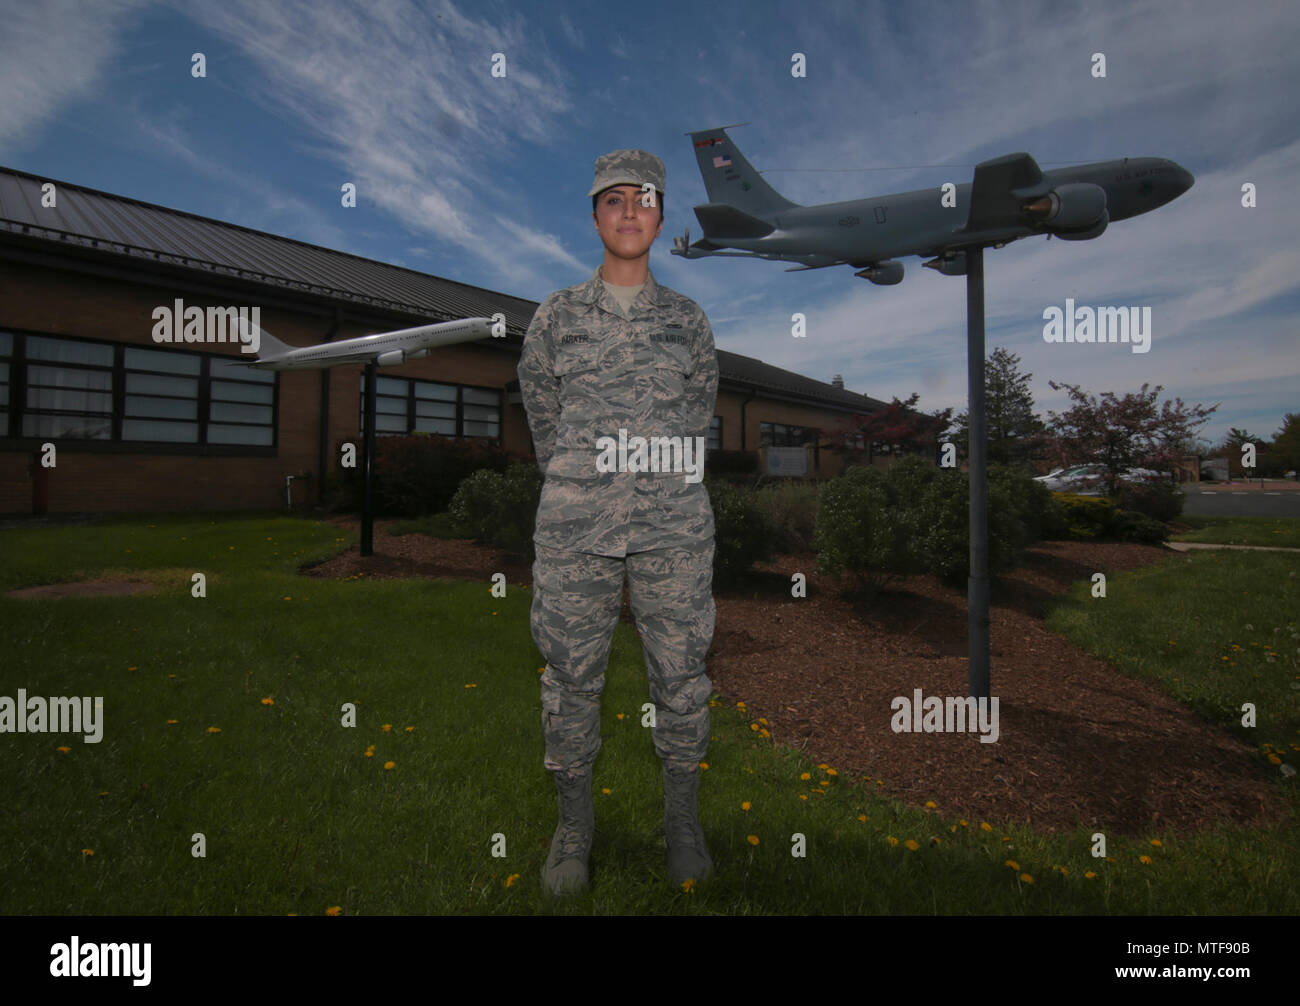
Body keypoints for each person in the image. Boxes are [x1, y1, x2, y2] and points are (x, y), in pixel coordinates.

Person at [517, 149, 719, 894]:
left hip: (674, 531)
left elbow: (698, 422)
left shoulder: (688, 323)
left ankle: (683, 824)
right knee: (571, 681)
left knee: (682, 680)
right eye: (613, 200)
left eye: (644, 199)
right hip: (576, 531)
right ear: (595, 215)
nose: (629, 211)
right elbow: (544, 420)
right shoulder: (557, 317)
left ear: (661, 217)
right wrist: (584, 483)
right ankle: (573, 828)